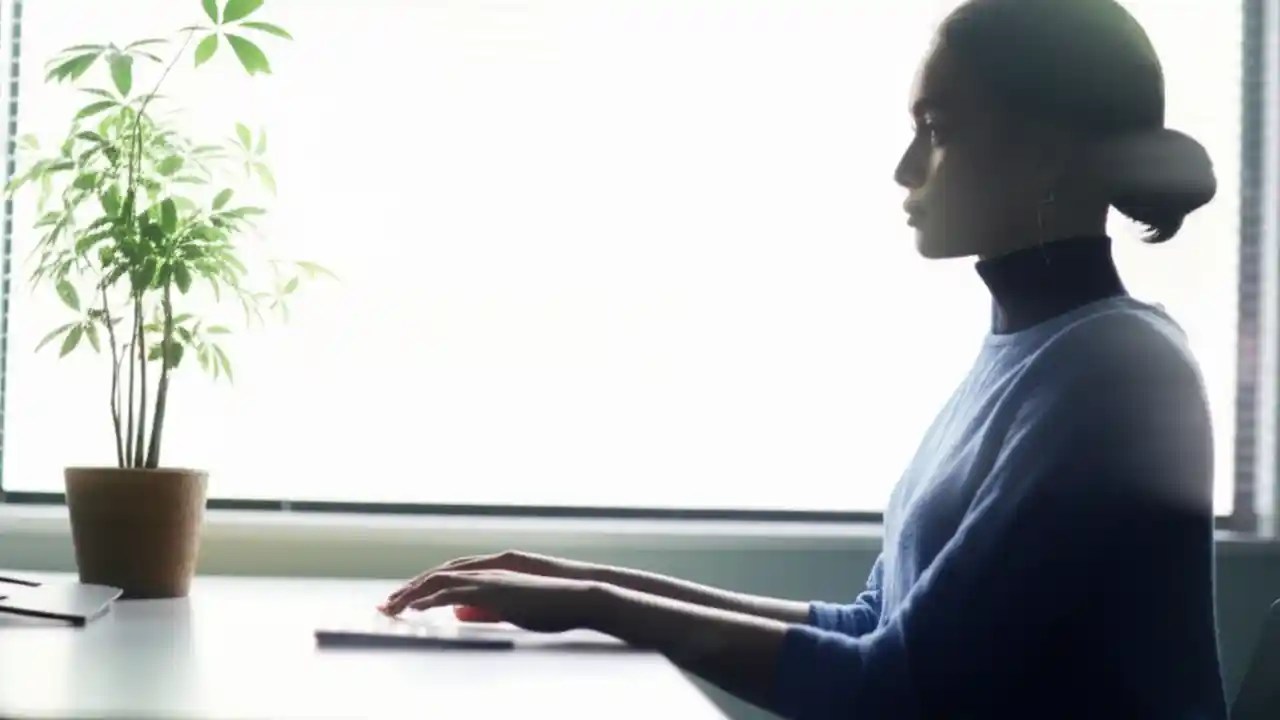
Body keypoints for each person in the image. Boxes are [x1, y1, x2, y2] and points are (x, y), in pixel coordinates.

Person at [381, 0, 1228, 717]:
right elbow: (872, 623)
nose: (905, 169)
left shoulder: (1113, 372)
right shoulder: (1035, 349)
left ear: (1047, 152)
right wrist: (581, 583)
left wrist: (598, 606)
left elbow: (898, 687)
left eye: (936, 130)